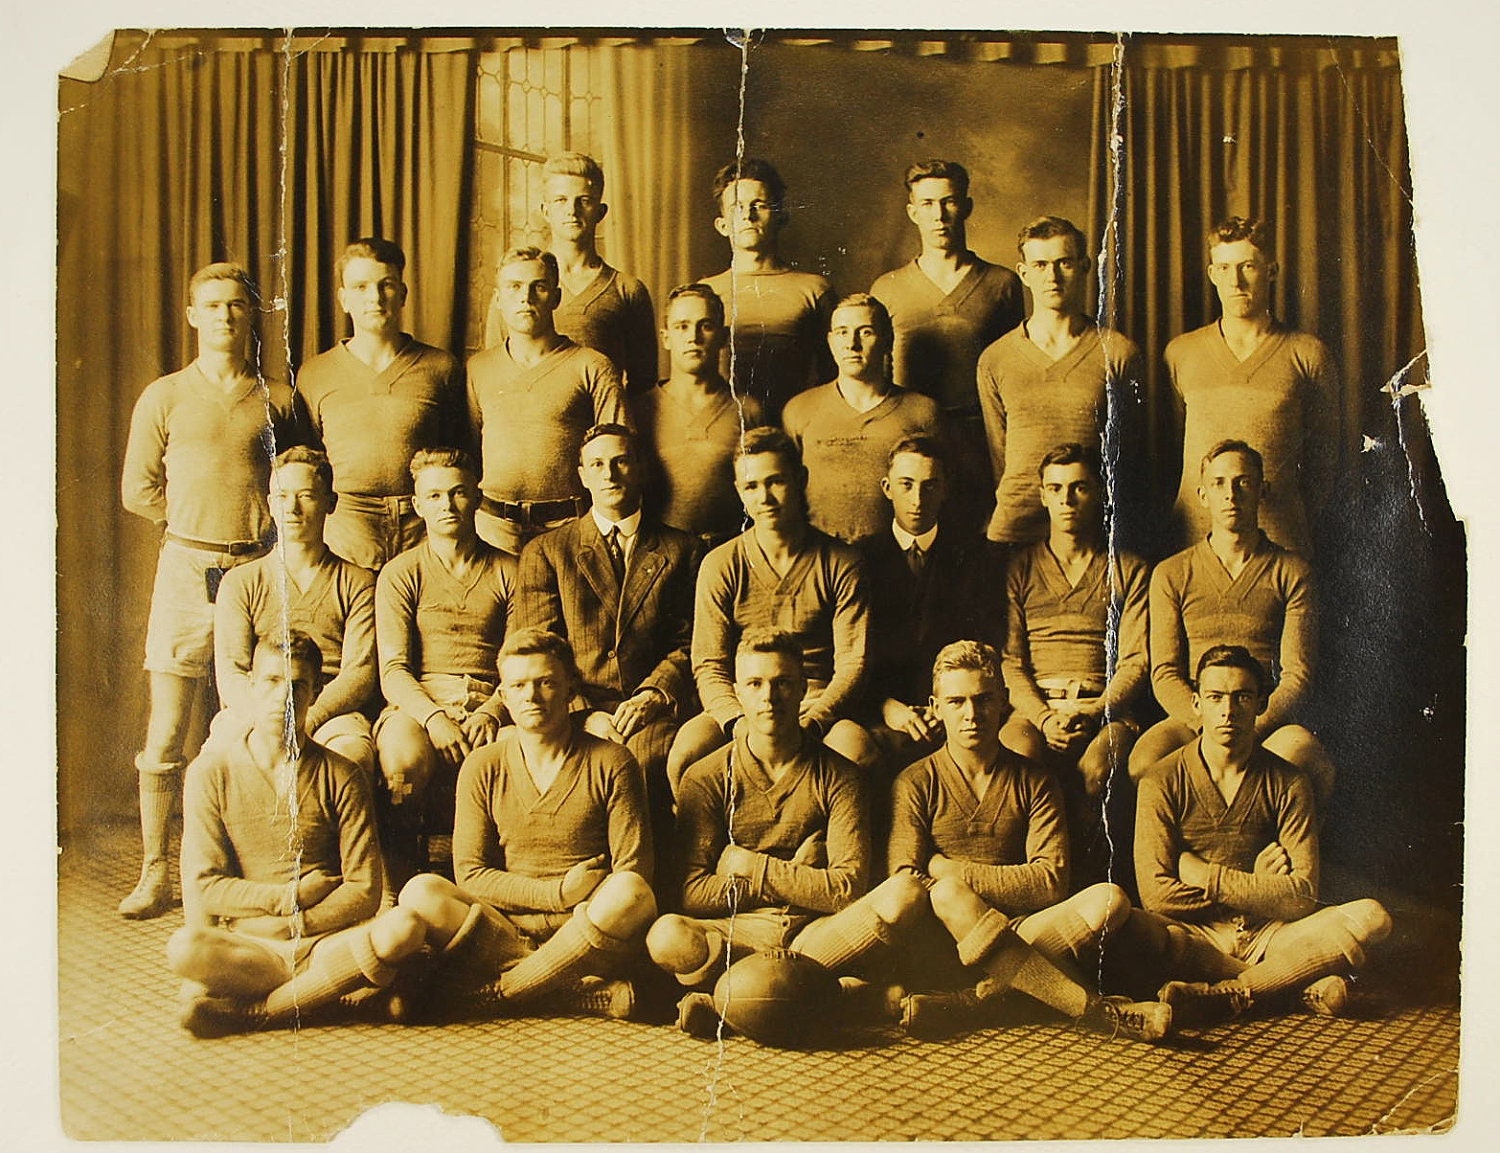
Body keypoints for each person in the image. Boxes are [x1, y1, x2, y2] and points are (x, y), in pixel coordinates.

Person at [118, 261, 301, 919]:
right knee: (167, 727)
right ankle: (155, 870)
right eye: (213, 305)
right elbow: (137, 488)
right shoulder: (163, 396)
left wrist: (250, 537)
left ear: (251, 315)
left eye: (236, 306)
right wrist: (194, 524)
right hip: (184, 569)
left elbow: (300, 478)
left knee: (252, 720)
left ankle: (240, 869)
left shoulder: (277, 398)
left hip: (255, 572)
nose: (225, 316)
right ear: (192, 315)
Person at [888, 641, 1173, 1043]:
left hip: (1025, 932)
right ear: (936, 706)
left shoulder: (1035, 781)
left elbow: (1051, 882)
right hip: (948, 941)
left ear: (1003, 702)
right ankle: (1096, 1011)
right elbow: (905, 879)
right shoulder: (916, 781)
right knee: (948, 895)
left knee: (1110, 899)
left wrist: (950, 869)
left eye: (983, 700)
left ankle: (977, 1000)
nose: (972, 715)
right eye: (956, 702)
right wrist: (956, 887)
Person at [646, 629, 925, 1036]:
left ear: (803, 688)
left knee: (907, 893)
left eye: (782, 683)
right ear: (737, 692)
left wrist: (746, 864)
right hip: (740, 931)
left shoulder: (841, 775)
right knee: (666, 936)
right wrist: (794, 873)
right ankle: (844, 998)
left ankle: (727, 1005)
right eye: (755, 684)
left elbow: (846, 887)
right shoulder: (705, 777)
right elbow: (690, 890)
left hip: (817, 933)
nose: (768, 697)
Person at [167, 632, 429, 1037]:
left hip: (327, 939)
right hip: (257, 945)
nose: (283, 699)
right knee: (185, 949)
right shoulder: (211, 772)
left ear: (315, 692)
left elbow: (364, 890)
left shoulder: (342, 774)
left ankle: (264, 1011)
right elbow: (206, 887)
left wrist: (300, 923)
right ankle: (340, 992)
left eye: (297, 686)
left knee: (406, 927)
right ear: (252, 684)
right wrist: (287, 899)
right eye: (271, 682)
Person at [391, 628, 657, 1022]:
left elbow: (634, 869)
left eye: (546, 682)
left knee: (631, 893)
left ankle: (501, 993)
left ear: (571, 688)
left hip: (586, 931)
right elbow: (471, 875)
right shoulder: (483, 765)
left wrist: (575, 903)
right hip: (505, 931)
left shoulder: (613, 761)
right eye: (518, 685)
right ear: (504, 696)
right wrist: (557, 893)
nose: (531, 697)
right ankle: (569, 990)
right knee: (420, 892)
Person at [1125, 646, 1391, 1025]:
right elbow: (1156, 895)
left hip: (1271, 932)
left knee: (1373, 917)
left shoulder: (1290, 781)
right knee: (1127, 925)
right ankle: (1287, 984)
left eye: (1242, 697)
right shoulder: (1161, 780)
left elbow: (1301, 897)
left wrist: (1204, 874)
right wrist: (1261, 886)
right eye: (1215, 698)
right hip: (1197, 937)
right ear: (1197, 703)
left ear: (1261, 704)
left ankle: (1227, 994)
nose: (1227, 711)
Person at [514, 423, 697, 884]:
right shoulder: (547, 551)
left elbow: (690, 642)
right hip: (572, 706)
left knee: (646, 762)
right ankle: (577, 886)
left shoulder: (682, 550)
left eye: (620, 461)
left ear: (639, 470)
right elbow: (537, 645)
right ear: (582, 475)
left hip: (650, 709)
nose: (610, 474)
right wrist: (581, 711)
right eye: (597, 464)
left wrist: (655, 694)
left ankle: (648, 889)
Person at [665, 428, 877, 791]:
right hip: (745, 701)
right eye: (752, 486)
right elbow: (709, 664)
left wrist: (815, 720)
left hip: (813, 700)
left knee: (859, 755)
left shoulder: (842, 563)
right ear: (739, 492)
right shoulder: (721, 563)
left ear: (800, 479)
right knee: (685, 756)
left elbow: (852, 663)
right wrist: (738, 722)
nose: (765, 498)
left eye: (775, 481)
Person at [1127, 440, 1334, 806]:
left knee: (1308, 760)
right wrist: (1209, 725)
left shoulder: (1292, 571)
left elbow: (1297, 674)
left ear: (1262, 490)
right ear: (1203, 495)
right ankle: (1180, 862)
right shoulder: (1172, 573)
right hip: (1197, 717)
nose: (1231, 495)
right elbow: (1165, 671)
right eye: (1219, 484)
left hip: (1262, 718)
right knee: (1145, 763)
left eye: (1243, 482)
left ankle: (1287, 860)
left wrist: (1251, 726)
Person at [1000, 444, 1149, 875]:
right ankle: (1031, 881)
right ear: (1042, 495)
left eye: (1079, 488)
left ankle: (1097, 891)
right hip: (1035, 709)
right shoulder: (1020, 568)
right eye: (1056, 489)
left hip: (1104, 709)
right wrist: (1045, 718)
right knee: (1018, 757)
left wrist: (1096, 709)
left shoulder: (1128, 568)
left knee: (1097, 769)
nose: (1066, 500)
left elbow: (1136, 659)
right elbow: (1012, 662)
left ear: (1099, 493)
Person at [374, 449, 518, 885]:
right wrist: (433, 717)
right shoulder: (401, 573)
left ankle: (497, 880)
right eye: (434, 496)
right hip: (420, 705)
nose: (447, 506)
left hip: (494, 700)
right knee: (401, 764)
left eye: (457, 493)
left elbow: (521, 659)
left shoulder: (509, 569)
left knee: (518, 754)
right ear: (418, 504)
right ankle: (401, 885)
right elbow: (393, 670)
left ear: (476, 496)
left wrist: (492, 711)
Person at [1165, 216, 1341, 556]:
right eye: (1225, 268)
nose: (1237, 281)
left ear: (1271, 271)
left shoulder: (1307, 354)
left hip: (1281, 544)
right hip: (1194, 543)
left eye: (1248, 266)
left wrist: (1289, 514)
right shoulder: (1181, 353)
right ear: (1212, 274)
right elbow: (1167, 448)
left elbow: (1326, 459)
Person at [297, 238, 470, 570]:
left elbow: (459, 452)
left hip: (423, 521)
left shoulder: (440, 367)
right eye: (360, 287)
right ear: (344, 299)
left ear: (402, 294)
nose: (374, 298)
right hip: (347, 523)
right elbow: (308, 459)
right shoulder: (315, 374)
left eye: (385, 285)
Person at [870, 160, 1023, 534]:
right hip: (908, 445)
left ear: (966, 207)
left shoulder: (1000, 284)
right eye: (927, 204)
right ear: (912, 212)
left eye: (949, 202)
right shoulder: (887, 289)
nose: (939, 215)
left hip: (978, 444)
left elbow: (1012, 373)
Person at [976, 217, 1147, 548]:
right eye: (1040, 265)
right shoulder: (995, 359)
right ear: (1023, 273)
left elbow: (1129, 454)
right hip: (1015, 527)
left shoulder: (1120, 353)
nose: (1051, 277)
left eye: (1063, 263)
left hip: (1092, 527)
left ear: (1084, 267)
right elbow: (1000, 455)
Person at [213, 446, 377, 775]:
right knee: (218, 754)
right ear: (270, 503)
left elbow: (359, 673)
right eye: (282, 496)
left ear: (329, 503)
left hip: (328, 711)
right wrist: (267, 719)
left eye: (306, 496)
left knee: (352, 756)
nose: (293, 508)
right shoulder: (241, 581)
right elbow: (231, 672)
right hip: (258, 708)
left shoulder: (358, 581)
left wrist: (308, 717)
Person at [468, 246, 630, 555]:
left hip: (568, 524)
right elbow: (468, 451)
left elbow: (618, 451)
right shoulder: (477, 368)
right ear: (498, 299)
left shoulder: (592, 365)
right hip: (494, 527)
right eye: (514, 287)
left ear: (555, 297)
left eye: (538, 287)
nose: (525, 297)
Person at [859, 436, 1000, 779]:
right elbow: (852, 654)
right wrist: (887, 707)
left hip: (954, 713)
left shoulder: (975, 557)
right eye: (906, 485)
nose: (918, 499)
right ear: (887, 488)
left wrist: (946, 707)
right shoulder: (859, 558)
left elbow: (983, 641)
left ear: (945, 490)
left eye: (929, 485)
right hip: (882, 715)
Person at [486, 153, 657, 395]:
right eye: (561, 200)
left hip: (602, 429)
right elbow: (493, 374)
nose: (572, 211)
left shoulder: (627, 290)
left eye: (584, 200)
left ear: (600, 211)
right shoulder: (515, 290)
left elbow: (644, 388)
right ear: (545, 211)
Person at [782, 293, 942, 543]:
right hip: (823, 561)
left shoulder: (922, 412)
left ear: (888, 341)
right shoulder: (800, 410)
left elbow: (945, 494)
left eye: (865, 332)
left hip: (897, 561)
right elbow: (787, 496)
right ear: (831, 341)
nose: (852, 344)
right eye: (842, 332)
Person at [701, 158, 836, 420]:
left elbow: (834, 376)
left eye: (759, 205)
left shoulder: (814, 290)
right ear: (722, 225)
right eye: (736, 207)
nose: (748, 216)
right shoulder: (704, 293)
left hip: (793, 431)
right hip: (724, 431)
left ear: (780, 217)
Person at [634, 283, 765, 548]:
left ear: (722, 336)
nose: (693, 337)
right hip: (658, 556)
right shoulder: (639, 409)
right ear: (666, 337)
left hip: (729, 552)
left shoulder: (748, 410)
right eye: (682, 326)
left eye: (705, 325)